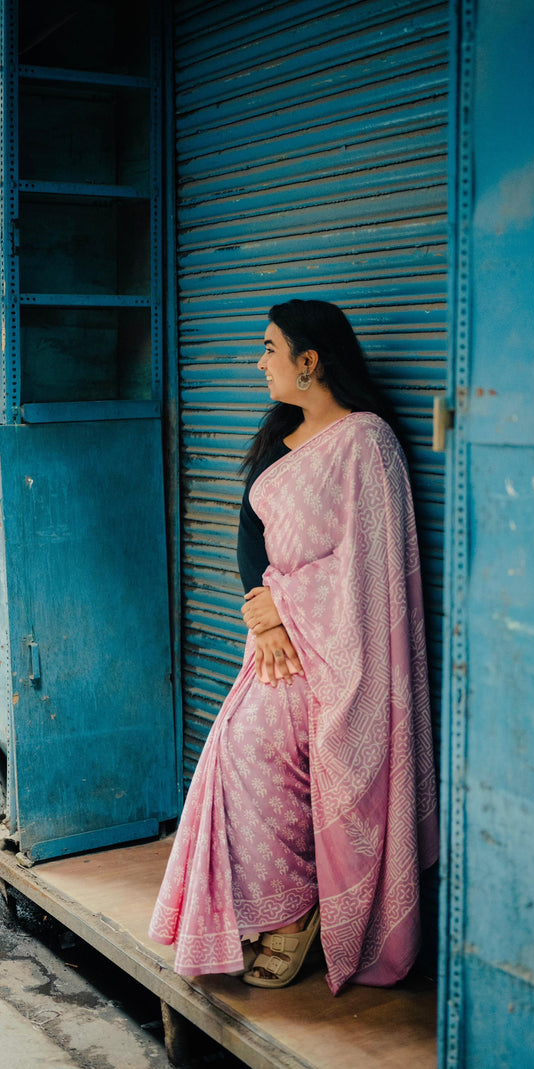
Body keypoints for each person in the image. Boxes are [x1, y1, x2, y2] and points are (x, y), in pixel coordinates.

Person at [149, 299, 438, 995]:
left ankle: (301, 907)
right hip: (277, 642)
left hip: (342, 651)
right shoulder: (280, 440)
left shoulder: (366, 442)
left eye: (270, 349)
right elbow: (252, 537)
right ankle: (281, 903)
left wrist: (289, 606)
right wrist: (266, 614)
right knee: (233, 757)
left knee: (258, 757)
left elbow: (368, 569)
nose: (259, 362)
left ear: (309, 361)